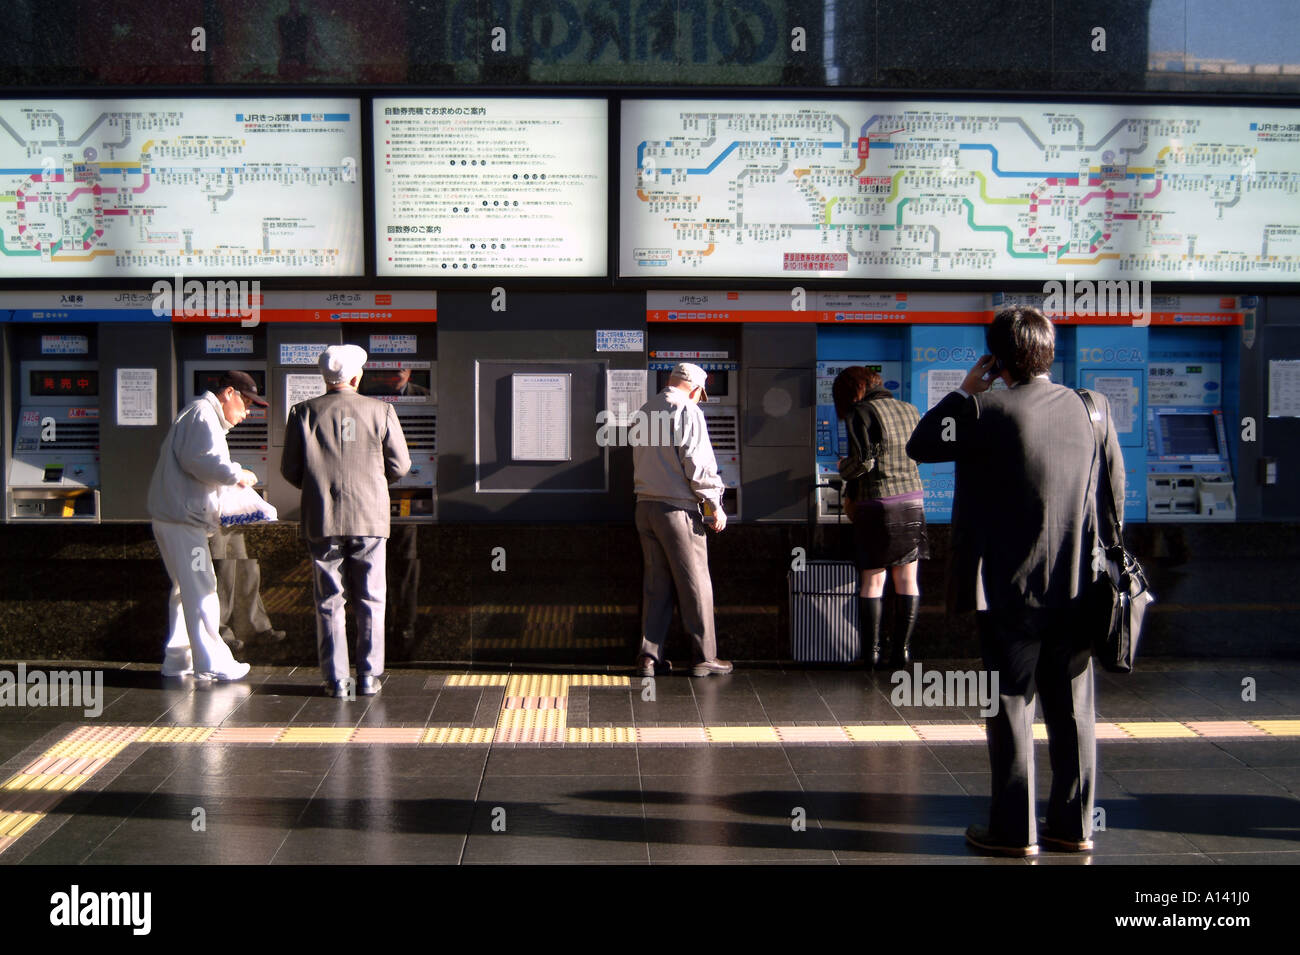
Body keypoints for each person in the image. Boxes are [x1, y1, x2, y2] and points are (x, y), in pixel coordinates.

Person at [906, 306, 1124, 858]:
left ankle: (1014, 831)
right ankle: (1073, 827)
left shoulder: (983, 409)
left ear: (998, 358)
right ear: (1051, 351)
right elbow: (1113, 497)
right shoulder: (1093, 409)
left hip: (1006, 589)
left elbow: (922, 445)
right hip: (1079, 586)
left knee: (1010, 708)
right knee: (1074, 712)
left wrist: (964, 390)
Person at [281, 344, 411, 698]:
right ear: (356, 377)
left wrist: (321, 487)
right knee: (371, 597)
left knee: (329, 599)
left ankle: (337, 680)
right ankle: (368, 676)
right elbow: (400, 466)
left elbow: (290, 470)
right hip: (369, 517)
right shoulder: (381, 411)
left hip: (322, 517)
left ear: (326, 378)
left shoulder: (302, 413)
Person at [147, 371, 265, 682]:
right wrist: (238, 474)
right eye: (246, 402)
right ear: (229, 393)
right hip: (183, 521)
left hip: (173, 517)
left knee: (184, 590)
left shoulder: (198, 414)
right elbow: (202, 461)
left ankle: (178, 658)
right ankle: (212, 660)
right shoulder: (202, 414)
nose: (248, 411)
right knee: (202, 588)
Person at [632, 362, 731, 678]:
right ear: (695, 387)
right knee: (695, 582)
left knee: (656, 585)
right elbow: (697, 464)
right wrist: (714, 505)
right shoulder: (688, 410)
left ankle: (649, 657)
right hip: (677, 511)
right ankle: (705, 657)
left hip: (645, 507)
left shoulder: (646, 409)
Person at [831, 367, 927, 669]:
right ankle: (903, 652)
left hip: (877, 503)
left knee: (873, 580)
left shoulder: (861, 412)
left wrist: (842, 467)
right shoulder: (909, 409)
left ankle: (871, 653)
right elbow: (919, 453)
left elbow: (864, 462)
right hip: (912, 500)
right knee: (908, 579)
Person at [209, 526, 286, 651]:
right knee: (223, 571)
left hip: (237, 514)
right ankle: (219, 632)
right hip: (214, 515)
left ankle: (253, 627)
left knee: (247, 568)